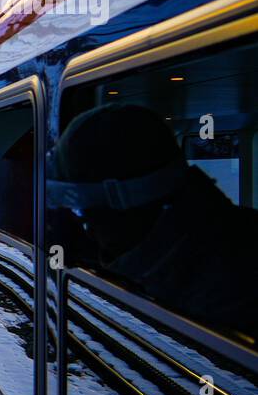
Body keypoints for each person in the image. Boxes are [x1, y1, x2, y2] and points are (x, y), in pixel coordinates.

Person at [48, 103, 258, 340]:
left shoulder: (225, 294)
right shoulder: (205, 250)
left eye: (89, 210)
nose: (88, 227)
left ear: (130, 204)